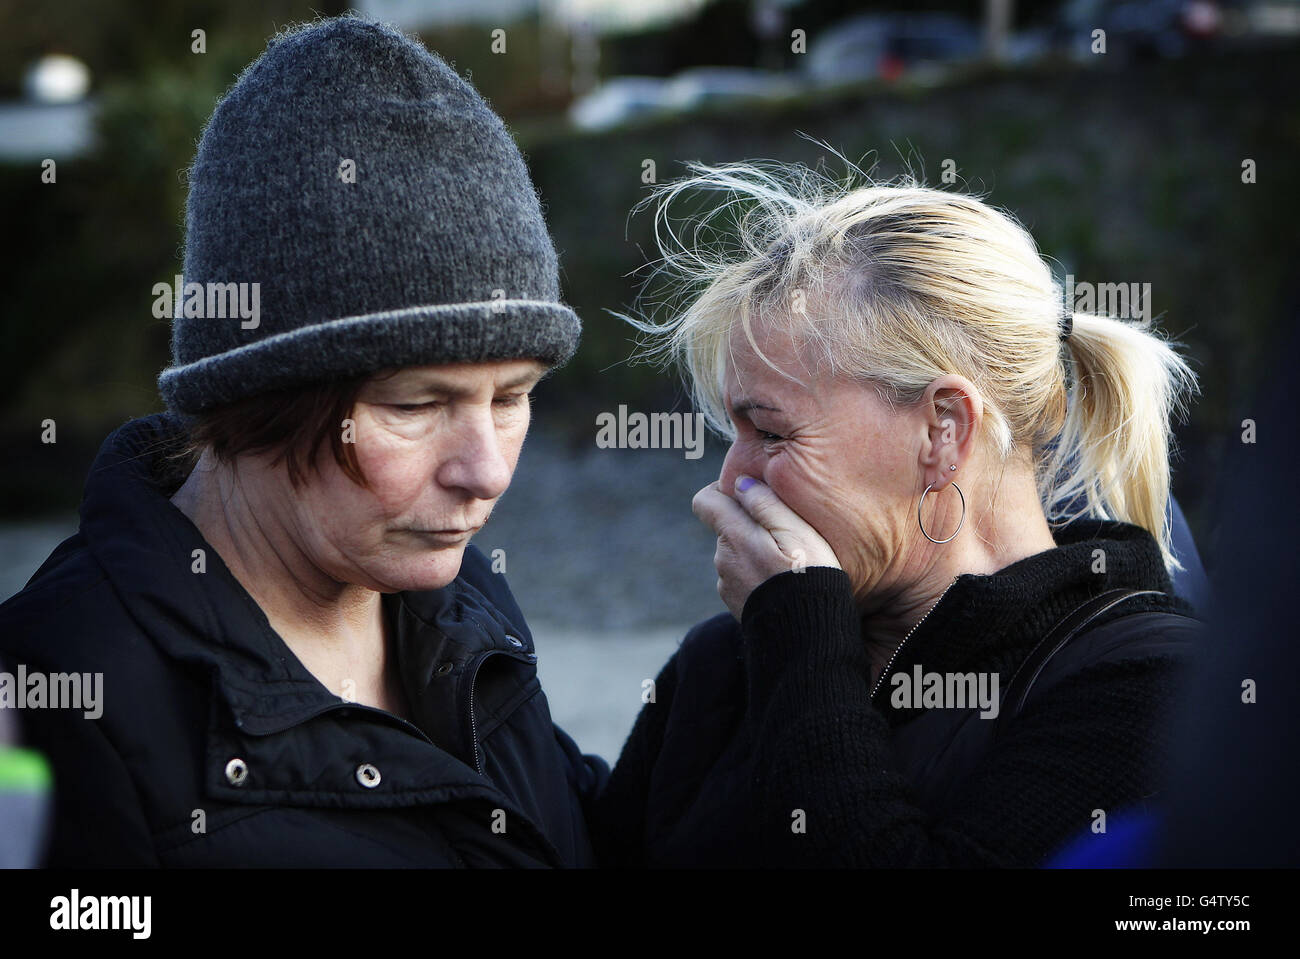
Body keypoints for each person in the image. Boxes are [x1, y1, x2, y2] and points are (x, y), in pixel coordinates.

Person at [0, 15, 607, 867]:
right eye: (416, 405)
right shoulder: (61, 699)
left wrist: (777, 668)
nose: (487, 470)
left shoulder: (455, 601)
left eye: (512, 397)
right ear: (255, 396)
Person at [588, 161, 1205, 867]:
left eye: (773, 432)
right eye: (736, 433)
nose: (728, 481)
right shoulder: (724, 662)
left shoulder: (1144, 683)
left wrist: (801, 648)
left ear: (942, 429)